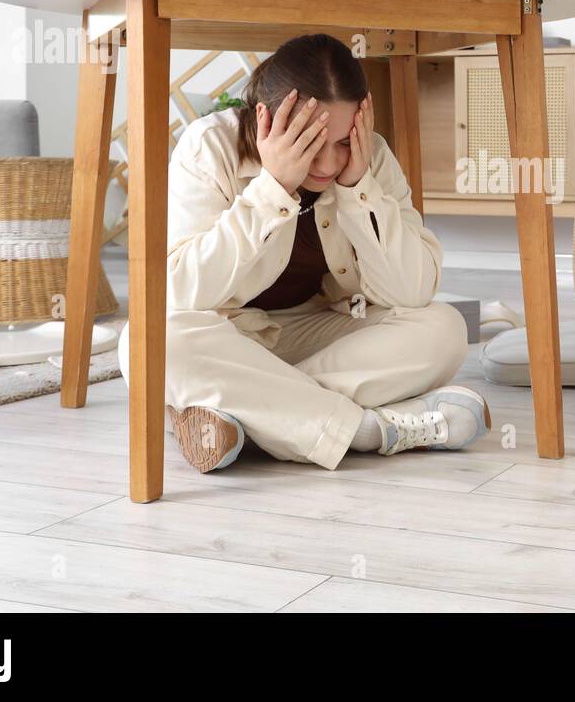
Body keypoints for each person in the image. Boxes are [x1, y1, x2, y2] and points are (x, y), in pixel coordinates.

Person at [116, 33, 489, 473]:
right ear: (265, 119)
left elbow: (412, 290)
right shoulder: (207, 147)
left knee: (444, 327)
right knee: (149, 339)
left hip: (314, 334)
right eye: (311, 141)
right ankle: (369, 430)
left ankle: (242, 412)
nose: (330, 164)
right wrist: (272, 189)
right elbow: (182, 291)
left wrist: (357, 189)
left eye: (344, 142)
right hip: (227, 338)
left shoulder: (371, 159)